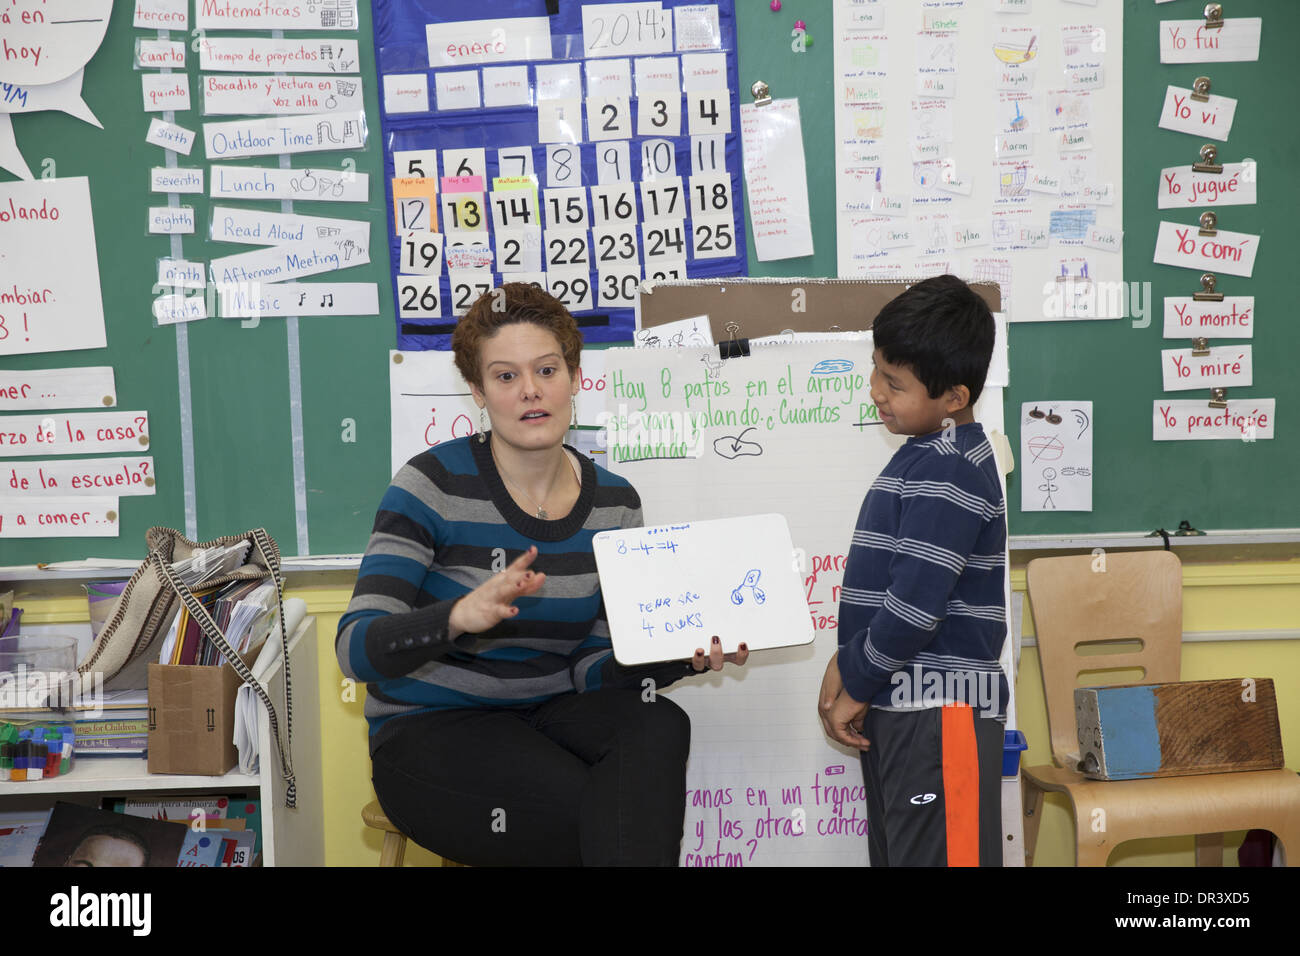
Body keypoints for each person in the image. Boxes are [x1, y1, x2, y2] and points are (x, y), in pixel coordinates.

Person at [337, 283, 747, 866]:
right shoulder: (430, 485)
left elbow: (592, 667)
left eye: (547, 370)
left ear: (574, 377)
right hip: (429, 728)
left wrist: (679, 654)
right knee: (602, 812)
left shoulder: (615, 502)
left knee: (658, 722)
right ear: (477, 391)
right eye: (505, 376)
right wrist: (456, 618)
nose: (530, 389)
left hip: (548, 713)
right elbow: (355, 650)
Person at [817, 274, 1008, 867]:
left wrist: (855, 681)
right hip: (908, 711)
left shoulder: (950, 469)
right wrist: (848, 666)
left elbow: (915, 609)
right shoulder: (926, 456)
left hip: (938, 716)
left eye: (894, 383)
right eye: (876, 370)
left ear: (953, 397)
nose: (876, 390)